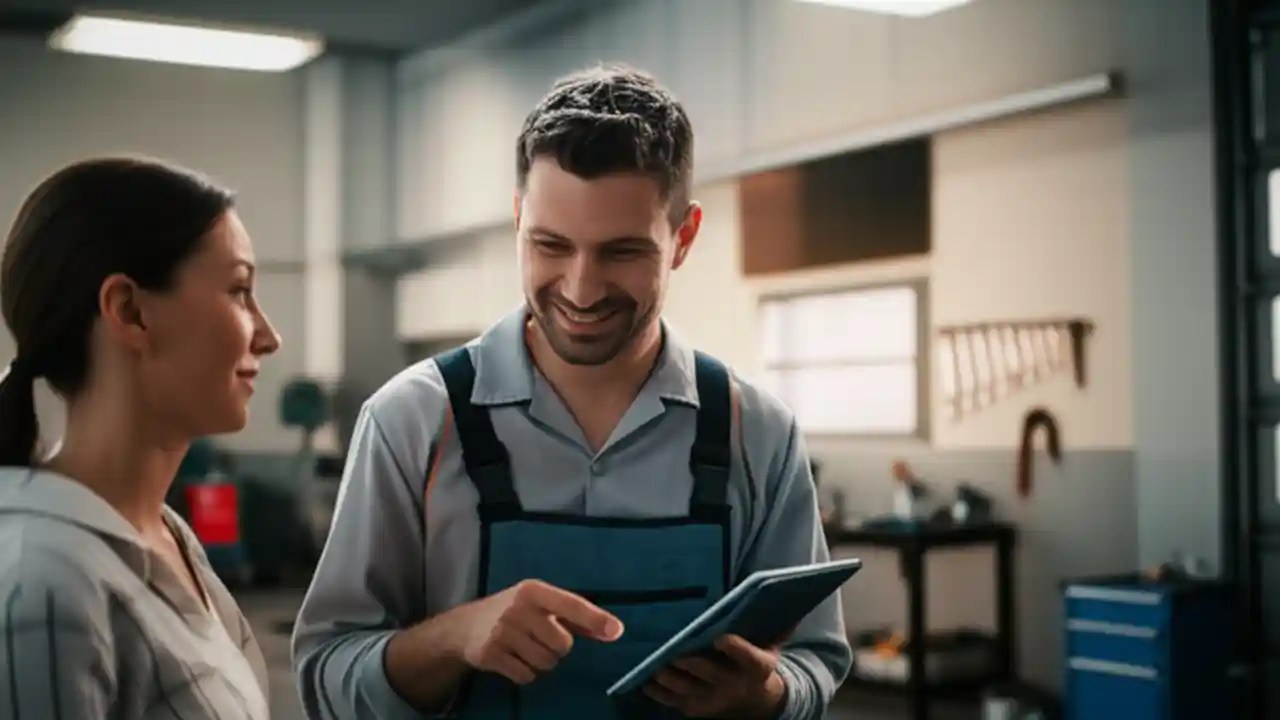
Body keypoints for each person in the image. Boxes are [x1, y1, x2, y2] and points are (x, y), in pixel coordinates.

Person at [293, 64, 852, 720]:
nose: (581, 290)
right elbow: (325, 675)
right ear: (516, 218)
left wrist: (768, 695)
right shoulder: (412, 420)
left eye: (621, 253)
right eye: (550, 245)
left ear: (684, 238)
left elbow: (816, 659)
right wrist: (451, 639)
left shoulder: (755, 430)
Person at [0, 157, 282, 718]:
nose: (268, 336)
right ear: (130, 311)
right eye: (239, 291)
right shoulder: (47, 583)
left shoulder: (168, 535)